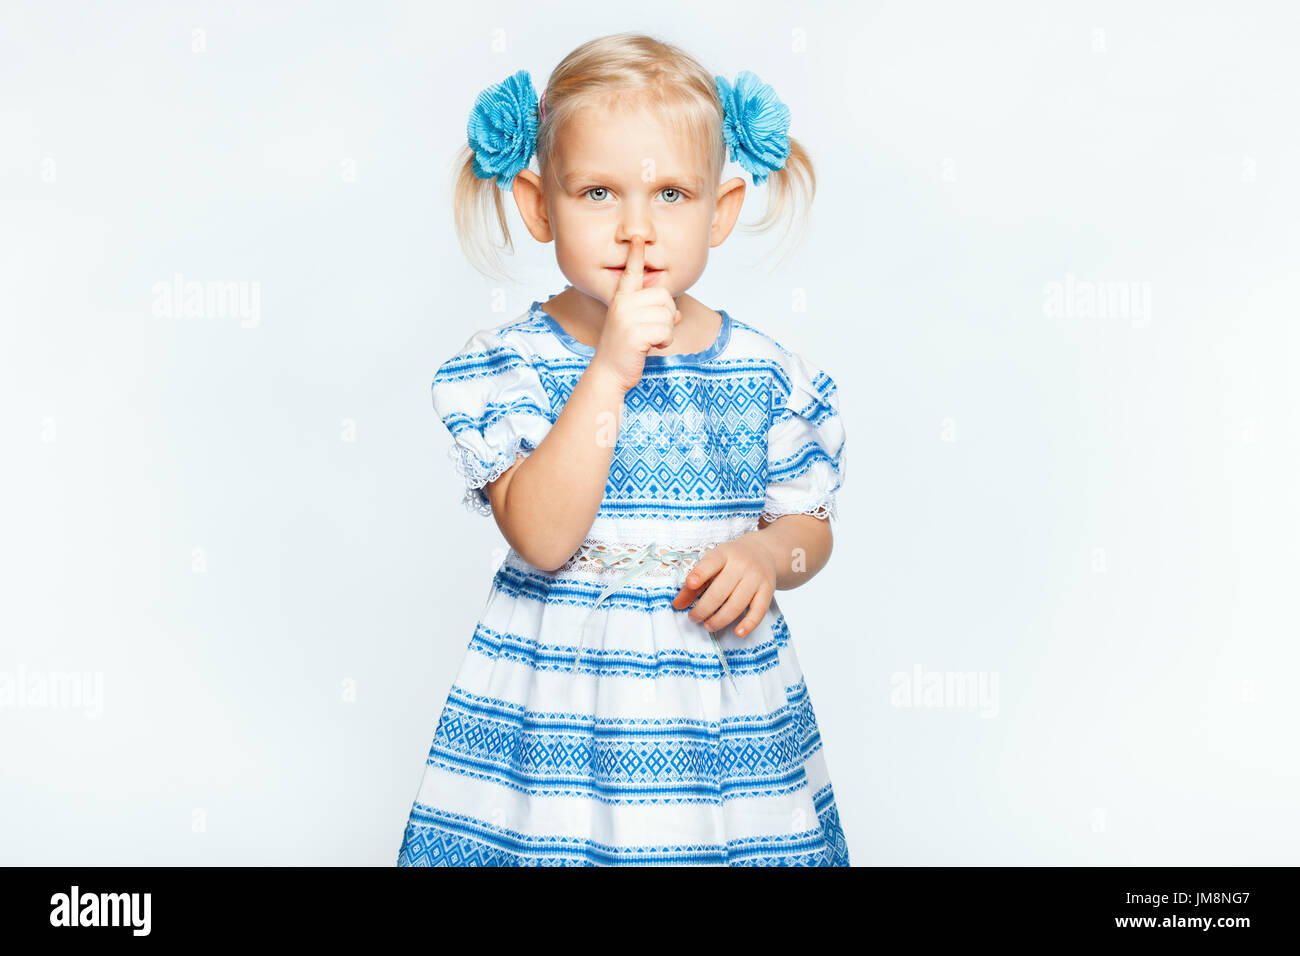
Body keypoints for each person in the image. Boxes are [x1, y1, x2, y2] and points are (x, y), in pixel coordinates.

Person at [397, 32, 849, 866]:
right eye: (598, 192)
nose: (636, 229)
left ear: (720, 210)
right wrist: (606, 373)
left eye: (671, 194)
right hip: (559, 715)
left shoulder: (766, 374)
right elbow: (543, 536)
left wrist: (766, 552)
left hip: (720, 721)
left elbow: (808, 527)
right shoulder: (512, 369)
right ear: (540, 205)